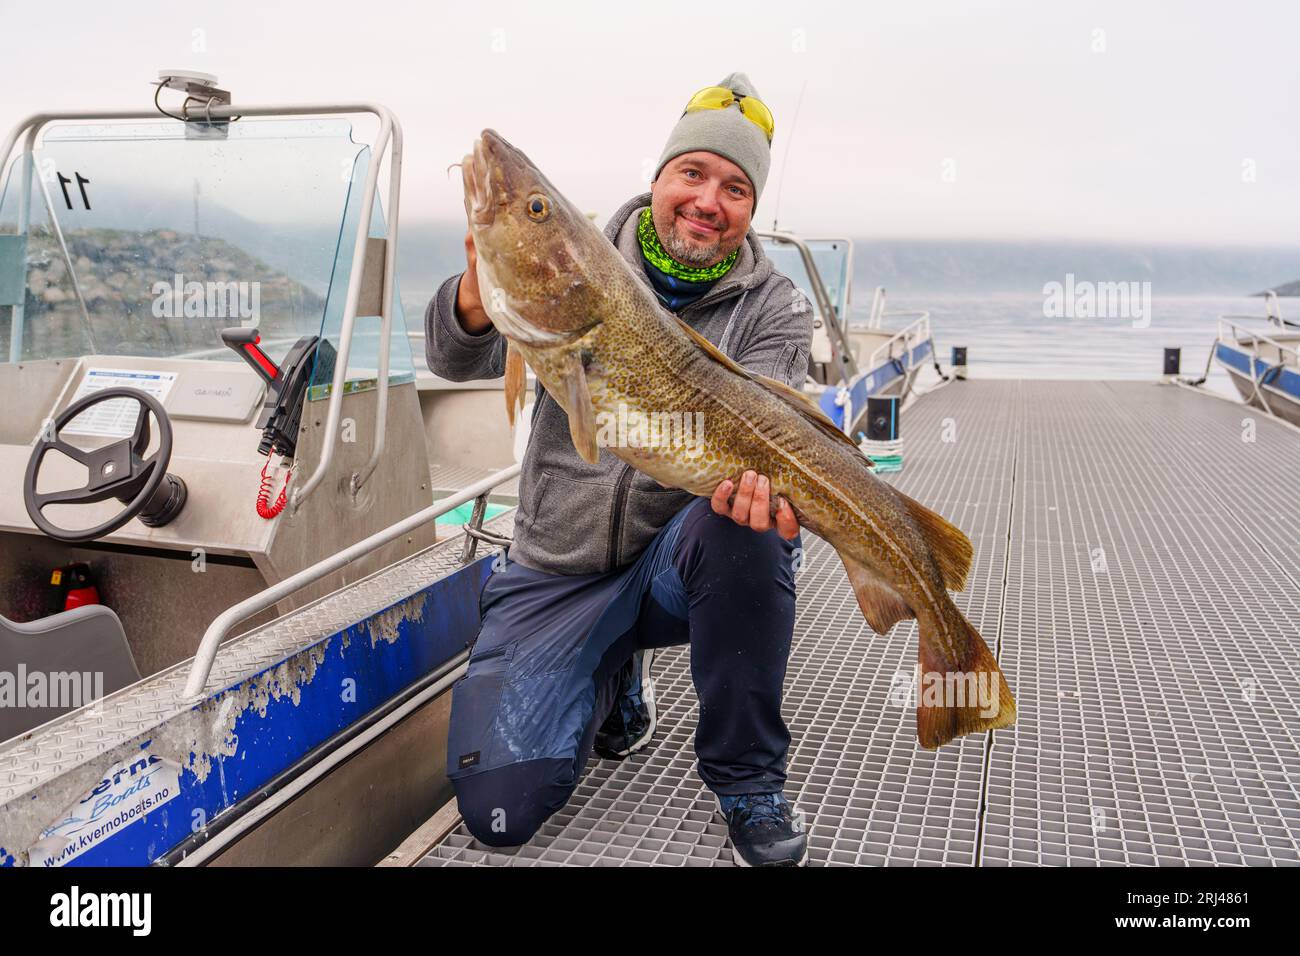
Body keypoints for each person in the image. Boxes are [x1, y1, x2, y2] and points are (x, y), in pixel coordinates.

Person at [425, 72, 814, 866]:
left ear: (751, 208)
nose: (709, 200)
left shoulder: (774, 309)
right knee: (500, 812)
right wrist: (476, 288)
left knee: (748, 534)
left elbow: (778, 426)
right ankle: (614, 681)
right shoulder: (574, 266)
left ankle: (748, 782)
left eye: (735, 187)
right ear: (659, 179)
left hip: (674, 564)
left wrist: (770, 495)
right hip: (555, 570)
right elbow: (452, 355)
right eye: (694, 174)